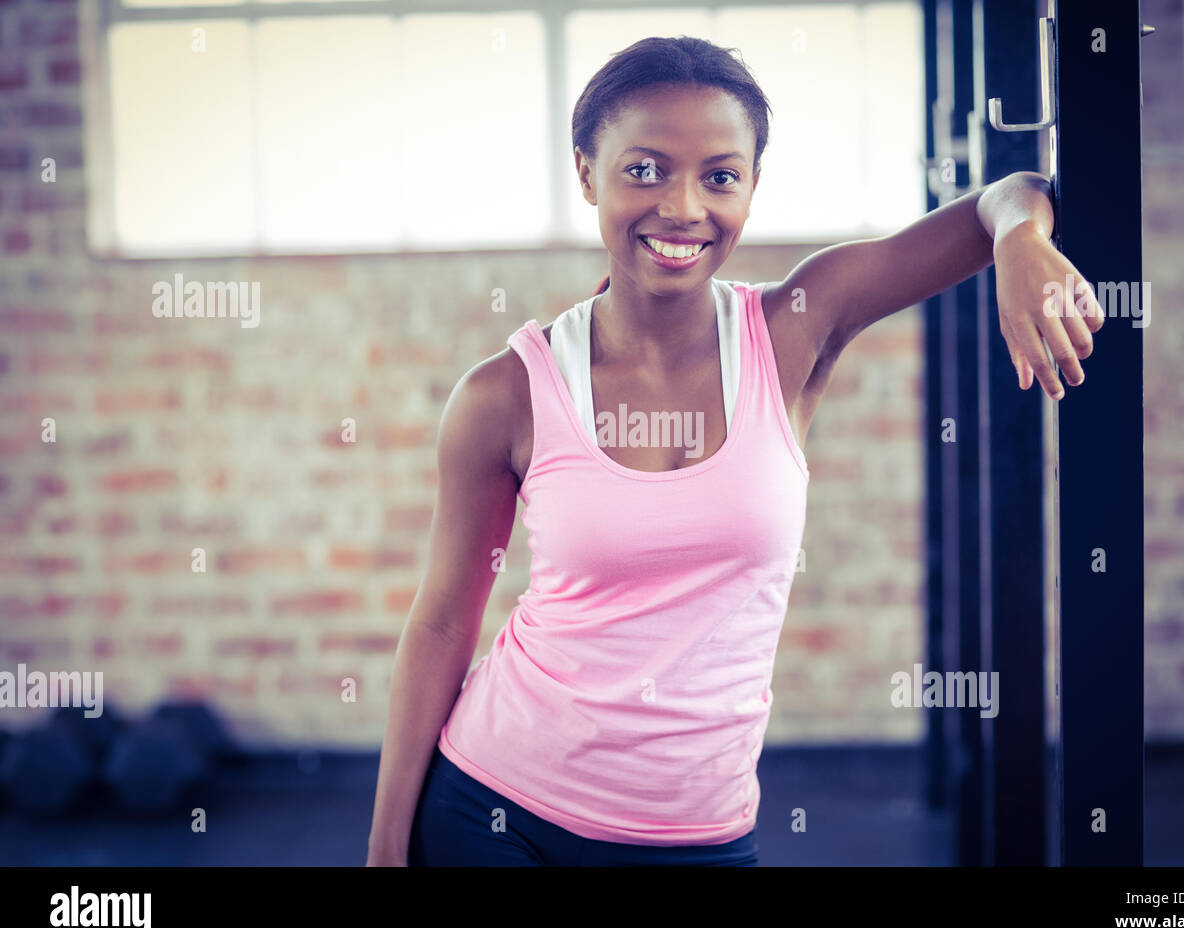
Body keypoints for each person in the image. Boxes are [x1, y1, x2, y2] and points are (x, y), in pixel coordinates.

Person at [366, 35, 1105, 867]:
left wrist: (1020, 240)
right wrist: (389, 843)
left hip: (700, 835)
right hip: (494, 813)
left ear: (751, 186)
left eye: (720, 175)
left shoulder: (794, 327)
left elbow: (1006, 196)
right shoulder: (504, 394)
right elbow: (440, 621)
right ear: (586, 174)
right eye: (644, 169)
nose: (683, 207)